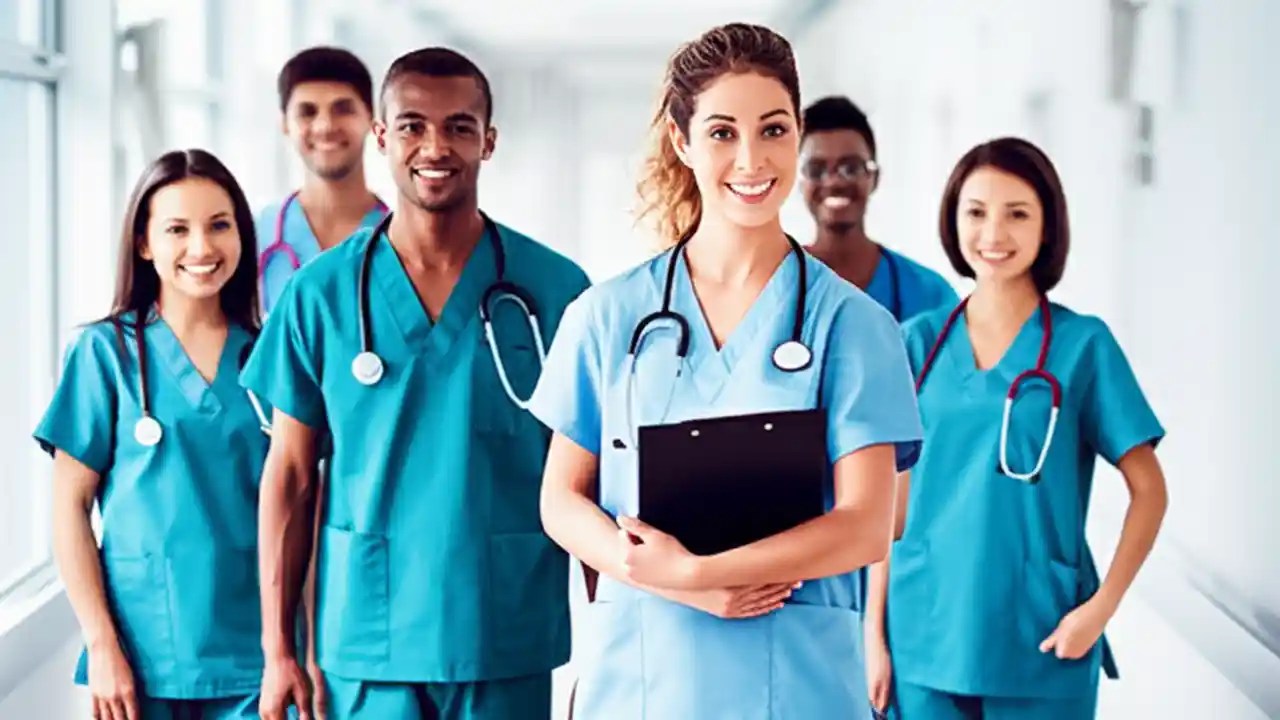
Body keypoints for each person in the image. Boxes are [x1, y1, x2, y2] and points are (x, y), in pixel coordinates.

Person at [527, 23, 923, 720]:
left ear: (797, 136)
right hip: (643, 680)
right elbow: (561, 501)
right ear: (682, 142)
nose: (750, 159)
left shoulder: (853, 326)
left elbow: (868, 524)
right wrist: (678, 585)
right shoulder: (608, 316)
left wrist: (701, 571)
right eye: (721, 133)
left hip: (799, 686)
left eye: (773, 130)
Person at [242, 47, 592, 720]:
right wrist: (277, 648)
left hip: (503, 632)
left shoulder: (557, 291)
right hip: (369, 637)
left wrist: (608, 646)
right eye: (412, 126)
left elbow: (592, 475)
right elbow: (289, 476)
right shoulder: (320, 294)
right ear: (382, 136)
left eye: (459, 126)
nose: (435, 147)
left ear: (489, 141)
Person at [871, 137, 1169, 719]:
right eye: (976, 212)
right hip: (924, 632)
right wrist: (872, 637)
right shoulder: (918, 344)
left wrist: (1101, 610)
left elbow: (1151, 490)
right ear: (953, 221)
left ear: (1047, 226)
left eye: (1017, 214)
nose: (994, 233)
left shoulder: (1084, 346)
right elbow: (891, 505)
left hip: (1043, 635)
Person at [35, 149, 270, 720]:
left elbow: (301, 510)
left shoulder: (270, 357)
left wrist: (298, 650)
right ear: (144, 243)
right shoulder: (104, 354)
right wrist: (100, 643)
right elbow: (69, 508)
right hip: (143, 659)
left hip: (258, 657)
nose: (202, 248)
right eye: (177, 229)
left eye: (219, 225)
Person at [799, 95, 957, 321]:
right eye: (816, 169)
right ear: (800, 182)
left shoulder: (931, 296)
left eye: (851, 168)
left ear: (874, 178)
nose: (834, 182)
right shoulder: (772, 288)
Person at [257, 46, 388, 316]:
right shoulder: (253, 236)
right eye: (307, 112)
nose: (325, 126)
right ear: (285, 124)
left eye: (343, 109)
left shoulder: (401, 240)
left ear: (371, 119)